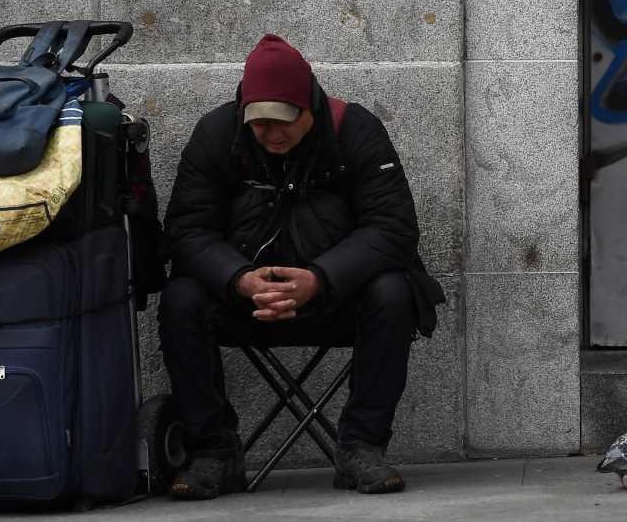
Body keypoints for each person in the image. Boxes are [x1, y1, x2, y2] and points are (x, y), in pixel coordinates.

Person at [158, 34, 445, 500]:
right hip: (246, 302)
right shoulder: (215, 135)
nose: (273, 134)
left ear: (310, 106)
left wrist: (321, 279)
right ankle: (214, 453)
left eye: (284, 121)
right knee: (181, 298)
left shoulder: (357, 131)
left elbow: (394, 229)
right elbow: (186, 232)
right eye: (259, 124)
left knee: (394, 292)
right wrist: (239, 280)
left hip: (335, 300)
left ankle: (361, 447)